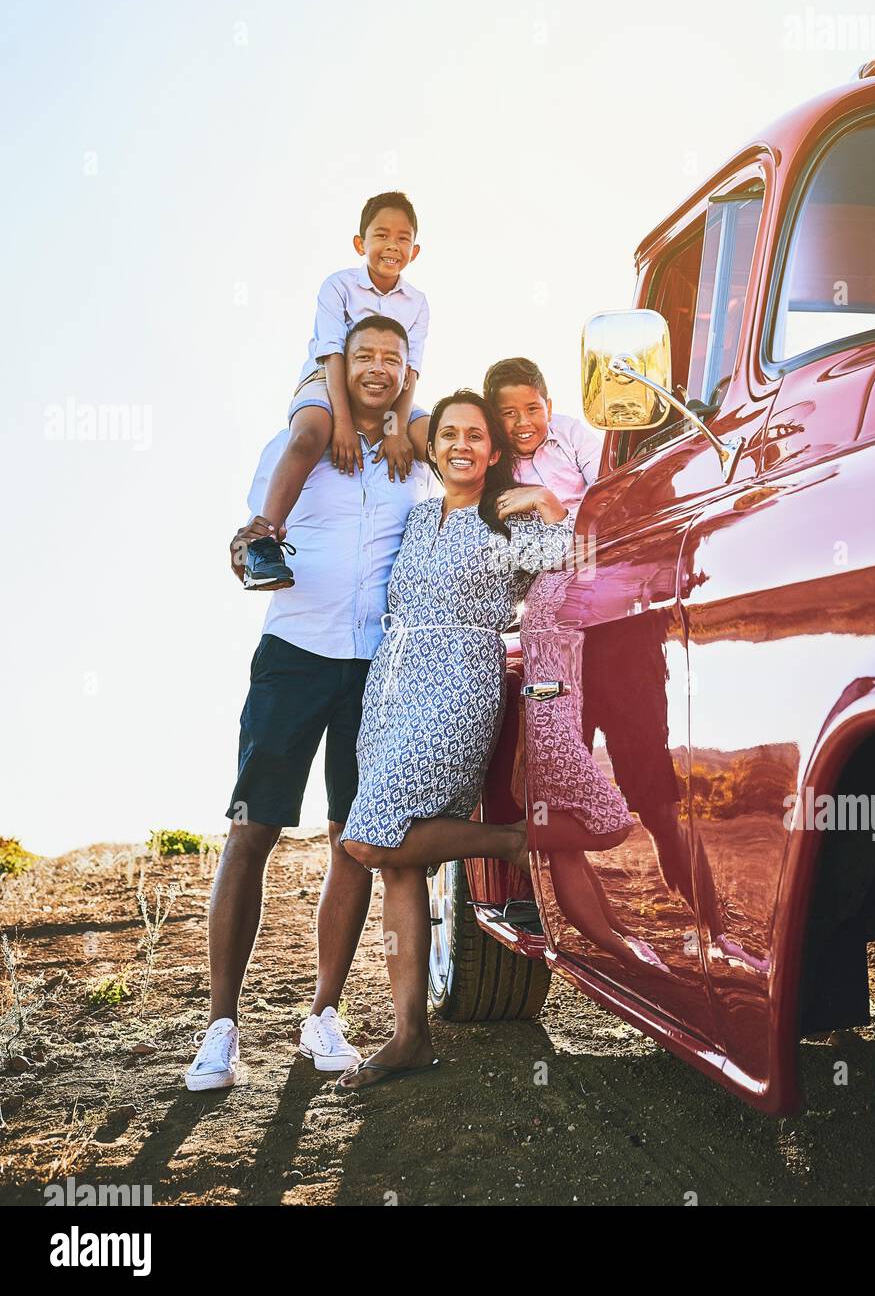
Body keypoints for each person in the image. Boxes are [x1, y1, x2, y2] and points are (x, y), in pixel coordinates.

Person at [184, 315, 433, 1092]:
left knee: (352, 839)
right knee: (253, 828)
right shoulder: (294, 446)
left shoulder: (413, 463)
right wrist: (241, 548)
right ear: (340, 365)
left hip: (374, 669)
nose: (378, 369)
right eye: (364, 356)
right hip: (293, 656)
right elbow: (252, 541)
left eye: (392, 358)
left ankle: (322, 1015)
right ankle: (221, 1027)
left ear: (403, 371)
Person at [334, 389, 573, 1090]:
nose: (461, 444)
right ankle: (410, 1035)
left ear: (494, 451)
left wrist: (553, 510)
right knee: (399, 866)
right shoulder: (413, 519)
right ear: (433, 447)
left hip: (461, 682)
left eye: (475, 434)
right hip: (391, 688)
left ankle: (511, 840)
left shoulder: (507, 518)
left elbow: (571, 566)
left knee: (367, 840)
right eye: (448, 434)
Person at [244, 193, 431, 591]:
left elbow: (410, 369)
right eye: (381, 235)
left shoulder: (417, 303)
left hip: (391, 392)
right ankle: (262, 542)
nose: (392, 246)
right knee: (308, 438)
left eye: (402, 238)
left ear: (414, 250)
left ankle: (484, 539)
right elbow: (332, 355)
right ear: (360, 244)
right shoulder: (339, 286)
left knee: (435, 435)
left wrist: (396, 428)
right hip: (326, 381)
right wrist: (342, 425)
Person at [482, 356, 602, 512]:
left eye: (532, 409)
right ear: (493, 418)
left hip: (588, 527)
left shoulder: (570, 431)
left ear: (549, 409)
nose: (523, 422)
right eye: (509, 413)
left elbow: (605, 487)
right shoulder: (491, 460)